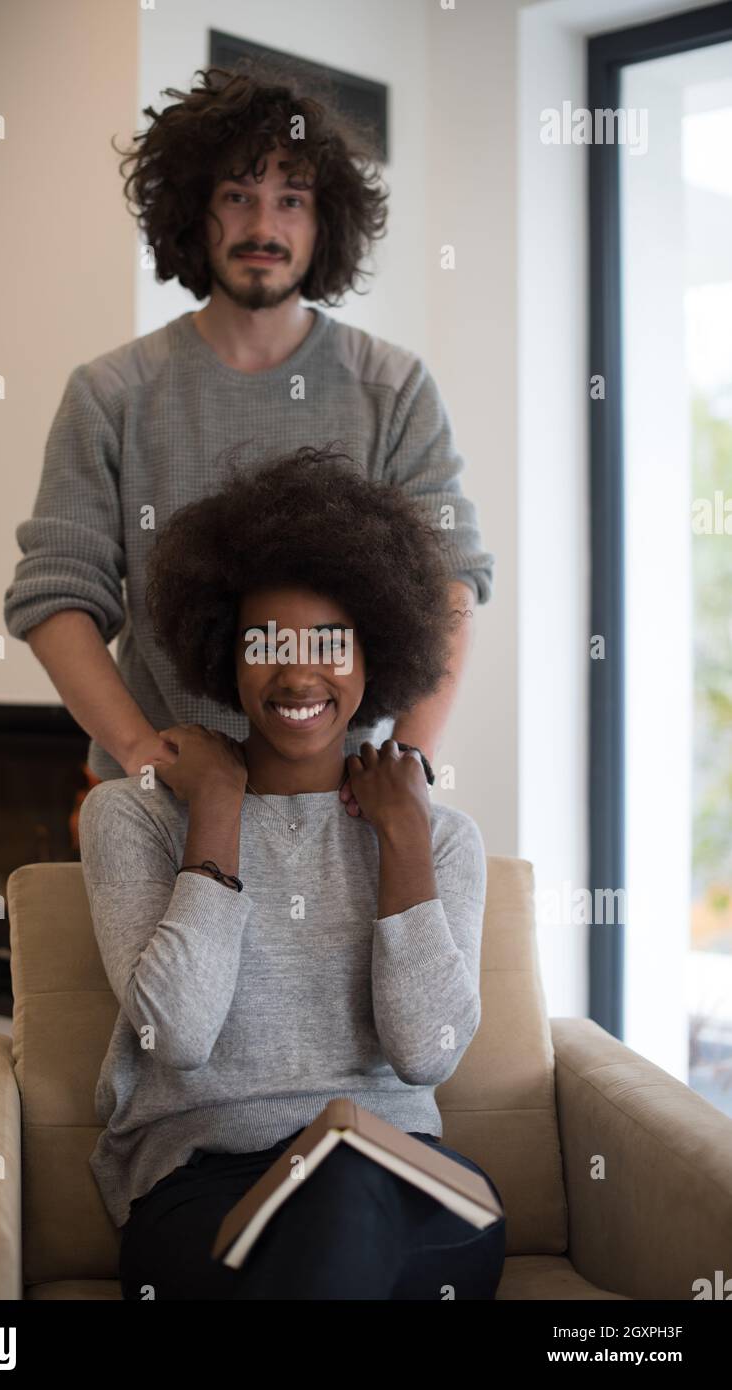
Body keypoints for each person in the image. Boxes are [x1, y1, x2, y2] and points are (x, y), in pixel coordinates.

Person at [2, 61, 494, 815]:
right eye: (237, 197)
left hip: (344, 804)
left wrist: (412, 762)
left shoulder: (393, 388)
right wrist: (140, 755)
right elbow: (55, 593)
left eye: (290, 201)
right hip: (160, 805)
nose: (263, 228)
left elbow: (449, 582)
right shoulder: (111, 394)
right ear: (192, 214)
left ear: (324, 219)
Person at [78, 447, 506, 1300]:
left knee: (347, 1196)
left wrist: (404, 839)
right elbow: (180, 1038)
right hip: (204, 1188)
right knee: (331, 1239)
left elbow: (425, 1055)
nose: (298, 670)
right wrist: (219, 810)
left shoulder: (440, 839)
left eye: (329, 643)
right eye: (266, 641)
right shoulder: (134, 815)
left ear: (372, 655)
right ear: (225, 656)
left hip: (399, 1175)